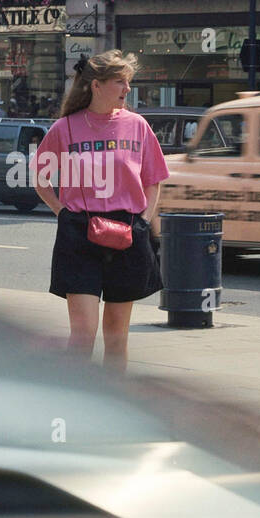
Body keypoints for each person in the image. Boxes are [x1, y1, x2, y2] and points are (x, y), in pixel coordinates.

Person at [32, 50, 169, 374]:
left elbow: (153, 181)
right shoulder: (65, 128)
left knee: (116, 337)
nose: (127, 88)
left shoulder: (137, 126)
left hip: (127, 232)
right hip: (79, 234)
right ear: (96, 85)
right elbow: (40, 177)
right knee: (83, 334)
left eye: (129, 81)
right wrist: (62, 212)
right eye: (120, 81)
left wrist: (145, 221)